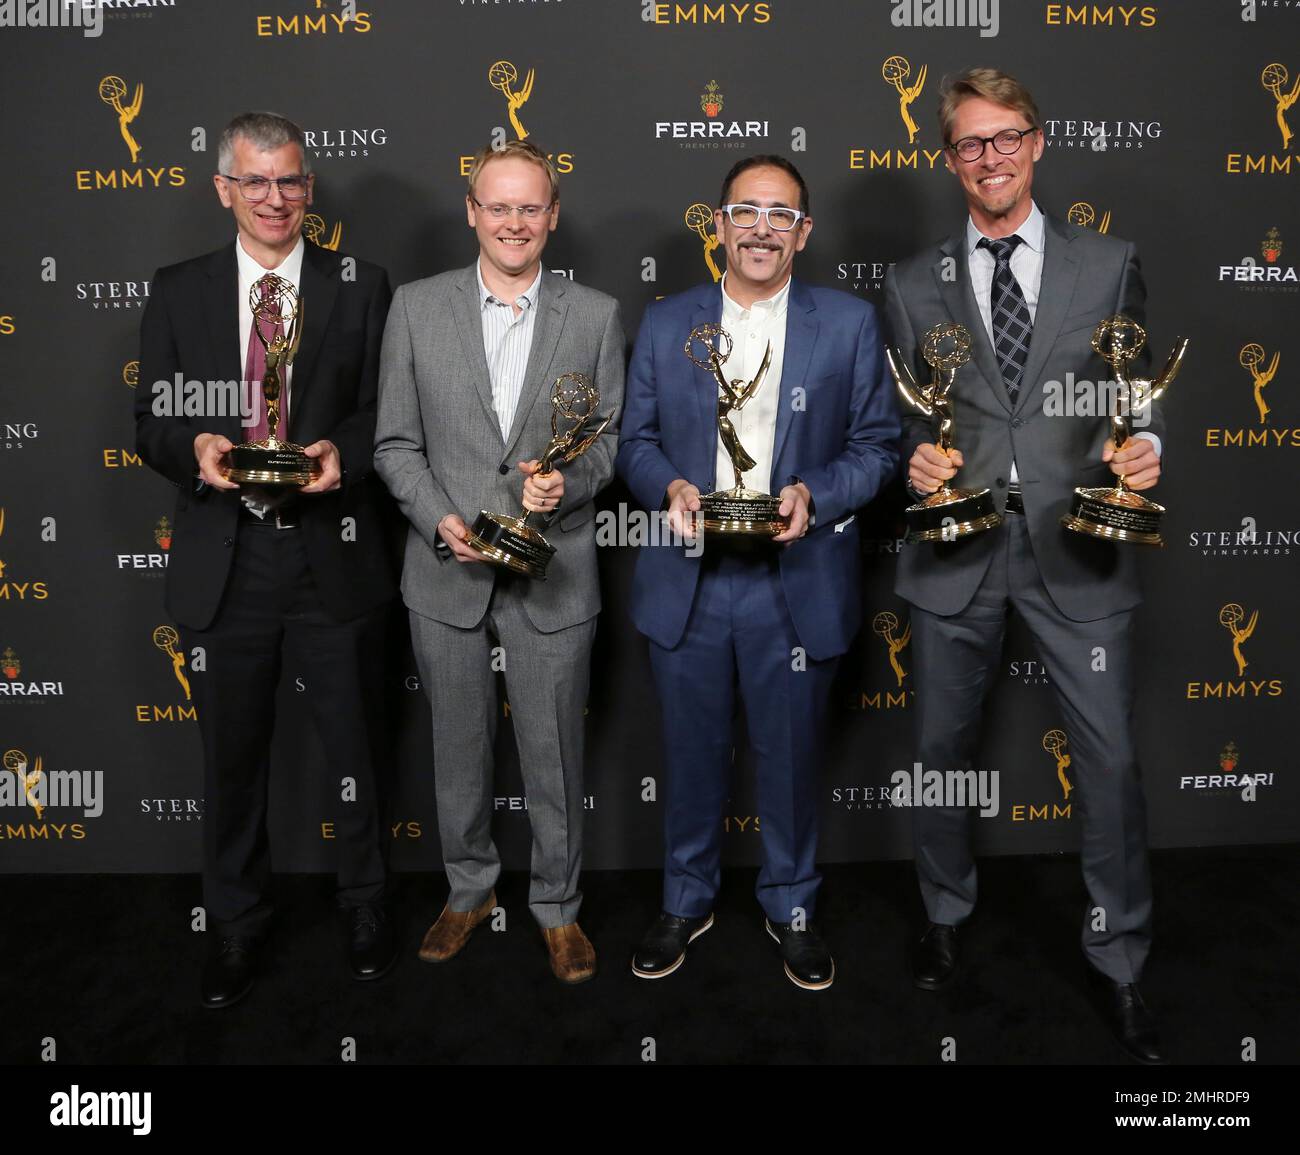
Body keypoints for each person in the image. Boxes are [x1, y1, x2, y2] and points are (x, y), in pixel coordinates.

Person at [883, 68, 1165, 1063]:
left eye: (1006, 138)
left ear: (1037, 143)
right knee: (936, 760)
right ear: (949, 156)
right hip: (956, 550)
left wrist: (1143, 450)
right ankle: (944, 912)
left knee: (1112, 765)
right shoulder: (912, 281)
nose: (990, 157)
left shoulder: (1108, 262)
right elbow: (903, 420)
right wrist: (907, 462)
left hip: (1077, 546)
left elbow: (1136, 392)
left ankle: (1119, 958)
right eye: (970, 142)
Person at [618, 155, 900, 990]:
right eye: (747, 211)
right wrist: (666, 483)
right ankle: (685, 897)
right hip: (690, 580)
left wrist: (816, 491)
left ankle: (793, 907)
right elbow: (633, 441)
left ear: (803, 232)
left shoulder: (848, 324)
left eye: (782, 215)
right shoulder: (668, 323)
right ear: (718, 223)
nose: (762, 228)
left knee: (787, 757)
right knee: (692, 752)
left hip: (796, 578)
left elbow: (879, 447)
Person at [135, 111, 397, 1009]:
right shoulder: (178, 289)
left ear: (309, 188)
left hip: (334, 556)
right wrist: (195, 447)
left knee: (355, 750)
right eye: (255, 182)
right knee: (232, 761)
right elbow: (152, 421)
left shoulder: (361, 286)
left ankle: (365, 905)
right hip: (227, 557)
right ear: (224, 191)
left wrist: (341, 457)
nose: (274, 198)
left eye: (289, 181)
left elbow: (379, 413)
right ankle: (237, 925)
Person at [374, 140, 625, 985]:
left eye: (530, 207)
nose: (513, 221)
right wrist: (439, 518)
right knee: (457, 747)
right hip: (446, 570)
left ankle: (558, 906)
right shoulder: (414, 307)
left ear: (551, 216)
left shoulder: (594, 315)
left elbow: (610, 444)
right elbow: (395, 443)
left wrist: (571, 483)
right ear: (472, 212)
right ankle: (470, 888)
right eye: (498, 206)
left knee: (555, 752)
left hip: (555, 569)